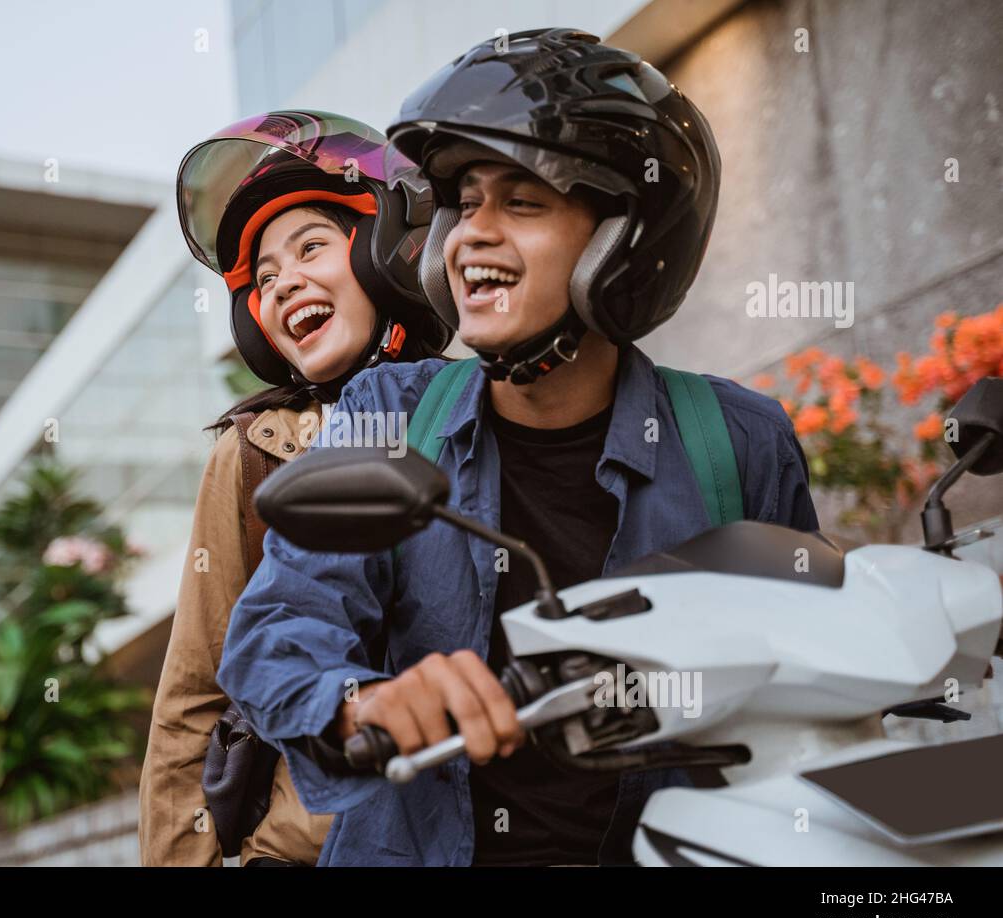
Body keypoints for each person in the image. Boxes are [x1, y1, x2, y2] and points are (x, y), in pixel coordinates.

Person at [218, 30, 820, 866]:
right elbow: (281, 627)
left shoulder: (739, 438)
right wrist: (367, 702)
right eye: (464, 201)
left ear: (625, 238)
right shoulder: (389, 412)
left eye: (524, 201)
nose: (471, 235)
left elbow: (810, 670)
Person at [139, 110, 451, 866]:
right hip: (308, 848)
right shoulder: (251, 455)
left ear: (387, 252)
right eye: (265, 278)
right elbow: (192, 700)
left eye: (312, 247)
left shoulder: (484, 409)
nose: (285, 286)